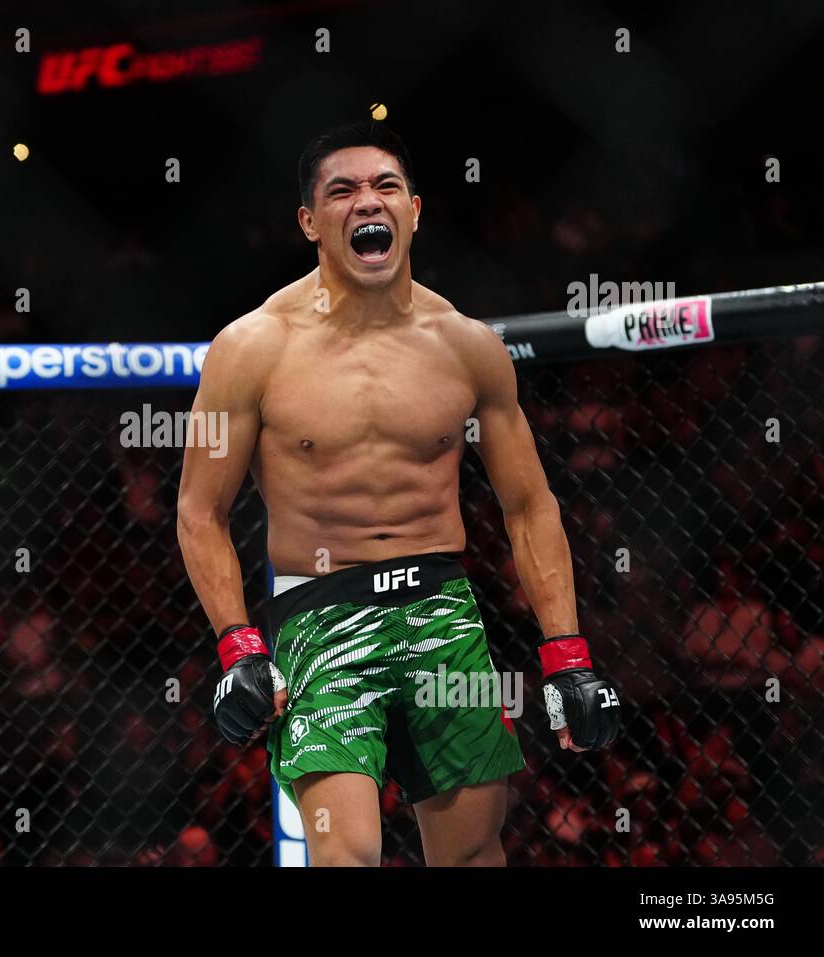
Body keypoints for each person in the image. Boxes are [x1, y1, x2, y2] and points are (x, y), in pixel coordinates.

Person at [177, 121, 620, 866]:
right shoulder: (251, 348)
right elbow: (199, 509)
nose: (365, 202)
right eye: (341, 191)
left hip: (442, 610)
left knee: (475, 852)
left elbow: (528, 504)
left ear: (414, 209)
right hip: (322, 619)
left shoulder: (466, 344)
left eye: (383, 186)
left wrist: (567, 653)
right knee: (345, 853)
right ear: (310, 222)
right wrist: (238, 645)